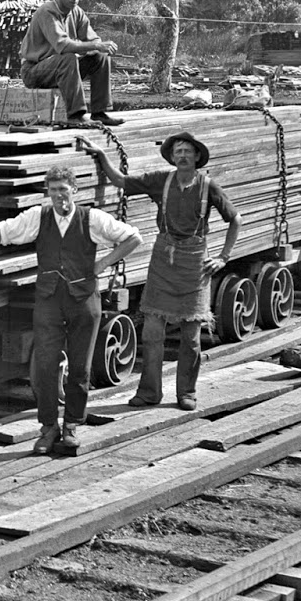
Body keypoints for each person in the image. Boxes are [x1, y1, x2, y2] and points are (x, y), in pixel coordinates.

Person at [0, 166, 142, 455]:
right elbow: (6, 229)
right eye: (53, 190)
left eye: (63, 189)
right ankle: (48, 427)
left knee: (81, 367)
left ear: (74, 190)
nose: (59, 196)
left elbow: (134, 237)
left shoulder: (92, 218)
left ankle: (71, 425)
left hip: (83, 299)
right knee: (44, 367)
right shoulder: (39, 216)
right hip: (48, 298)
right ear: (47, 192)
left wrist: (103, 263)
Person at [84, 130, 241, 412]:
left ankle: (186, 393)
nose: (182, 156)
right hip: (162, 260)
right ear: (172, 157)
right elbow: (121, 181)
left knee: (191, 337)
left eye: (187, 152)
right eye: (177, 151)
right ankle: (149, 393)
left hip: (195, 264)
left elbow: (235, 219)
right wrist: (102, 155)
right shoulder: (160, 181)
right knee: (152, 332)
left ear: (196, 157)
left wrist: (223, 257)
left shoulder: (209, 187)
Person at [21, 0, 123, 127]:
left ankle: (99, 112)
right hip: (35, 72)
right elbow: (62, 44)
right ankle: (76, 115)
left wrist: (99, 47)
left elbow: (93, 39)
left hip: (61, 70)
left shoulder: (77, 12)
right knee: (68, 57)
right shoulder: (47, 12)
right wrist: (96, 44)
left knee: (100, 57)